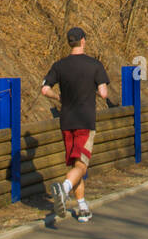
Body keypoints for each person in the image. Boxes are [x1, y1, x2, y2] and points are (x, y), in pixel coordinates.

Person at [41, 27, 109, 221]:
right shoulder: (94, 65)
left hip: (66, 121)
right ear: (83, 41)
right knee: (82, 164)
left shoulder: (59, 65)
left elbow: (45, 89)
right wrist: (93, 88)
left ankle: (82, 206)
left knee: (74, 164)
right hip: (85, 121)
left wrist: (59, 97)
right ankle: (64, 189)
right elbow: (104, 93)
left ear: (69, 43)